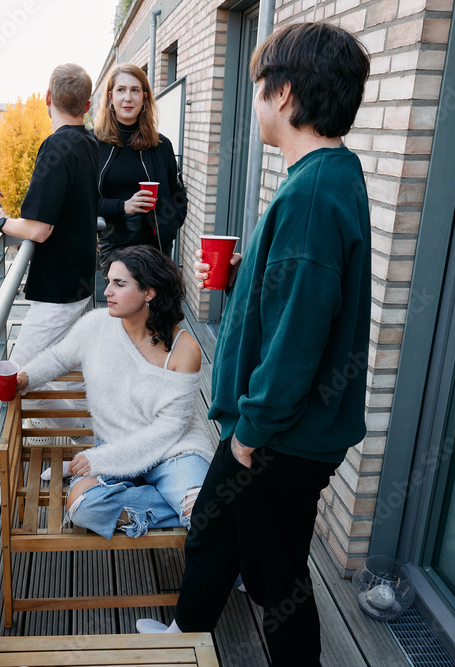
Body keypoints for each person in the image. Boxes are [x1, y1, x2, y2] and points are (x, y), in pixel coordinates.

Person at [136, 23, 372, 666]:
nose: (257, 103)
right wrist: (250, 276)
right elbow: (304, 294)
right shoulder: (329, 176)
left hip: (277, 436)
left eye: (259, 90)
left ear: (286, 95)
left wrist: (250, 436)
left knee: (278, 579)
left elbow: (299, 339)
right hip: (274, 428)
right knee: (214, 527)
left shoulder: (314, 192)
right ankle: (187, 633)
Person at [6, 246, 214, 538]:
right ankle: (180, 504)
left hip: (174, 451)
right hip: (116, 445)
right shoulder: (96, 325)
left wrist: (99, 460)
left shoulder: (184, 349)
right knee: (83, 504)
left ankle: (234, 560)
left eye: (119, 284)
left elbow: (169, 429)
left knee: (202, 511)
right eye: (108, 282)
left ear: (149, 293)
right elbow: (58, 358)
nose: (107, 292)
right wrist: (24, 378)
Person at [0, 63, 99, 432]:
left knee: (22, 375)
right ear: (88, 104)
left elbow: (39, 229)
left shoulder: (56, 148)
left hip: (58, 287)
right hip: (80, 279)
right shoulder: (91, 143)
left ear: (48, 99)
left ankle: (84, 449)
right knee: (71, 368)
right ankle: (98, 441)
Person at [93, 64, 186, 267]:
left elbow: (179, 196)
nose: (128, 97)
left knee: (155, 299)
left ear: (144, 98)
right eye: (121, 90)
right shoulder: (94, 144)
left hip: (156, 248)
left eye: (135, 90)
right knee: (123, 298)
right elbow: (84, 201)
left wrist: (167, 227)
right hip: (113, 248)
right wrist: (123, 206)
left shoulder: (161, 145)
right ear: (110, 98)